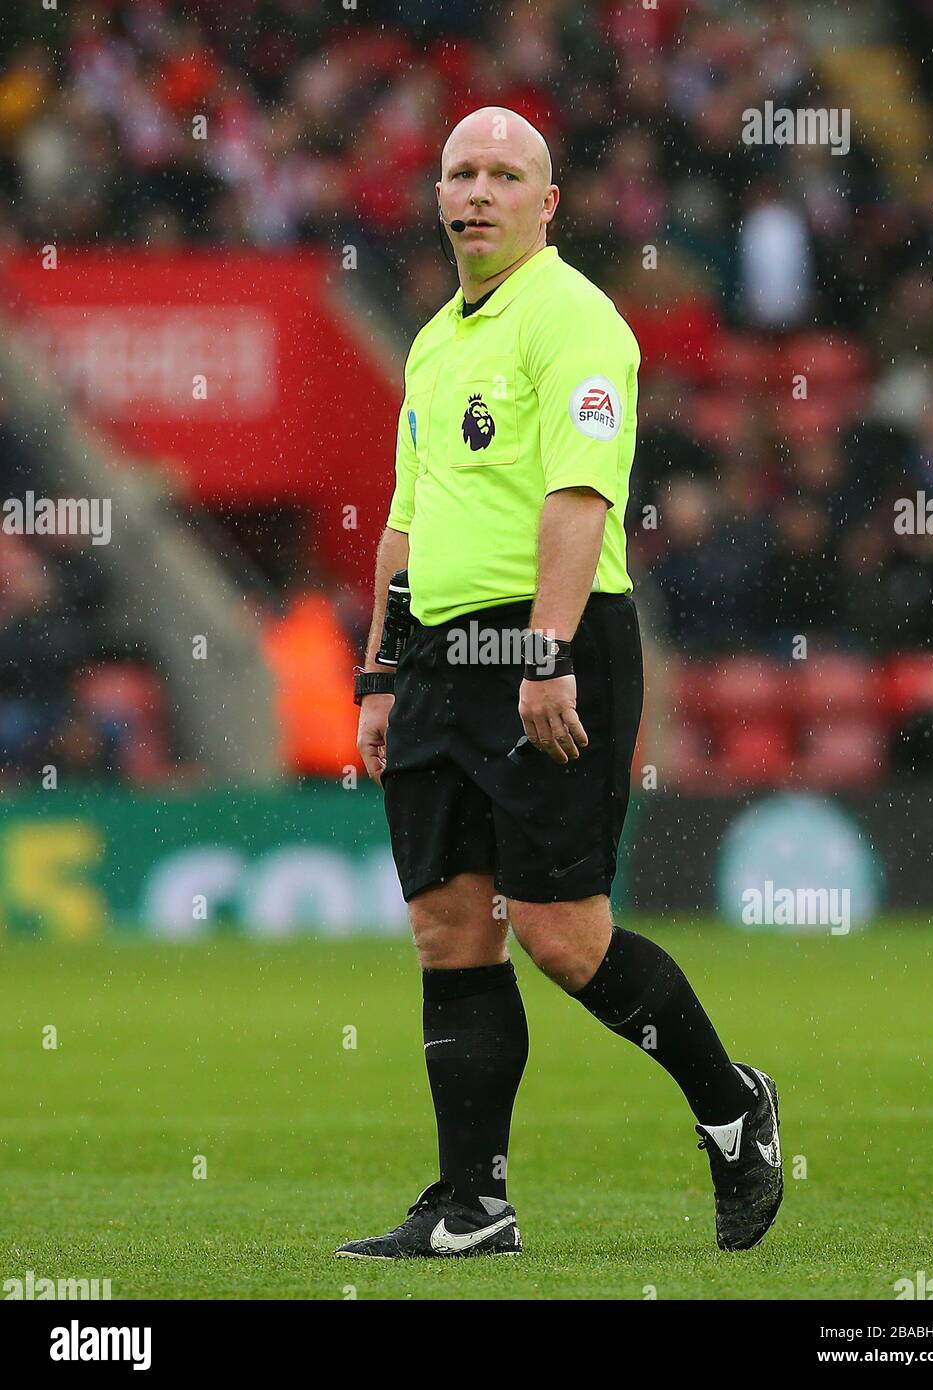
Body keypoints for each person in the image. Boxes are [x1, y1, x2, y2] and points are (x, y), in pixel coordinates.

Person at [338, 107, 782, 1260]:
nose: (477, 191)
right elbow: (404, 518)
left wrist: (545, 648)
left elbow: (579, 497)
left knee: (559, 930)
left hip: (551, 644)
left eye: (505, 174)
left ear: (549, 204)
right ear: (438, 196)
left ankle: (731, 1106)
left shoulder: (578, 319)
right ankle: (472, 1203)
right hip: (436, 652)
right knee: (448, 926)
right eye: (460, 172)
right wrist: (382, 671)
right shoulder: (435, 339)